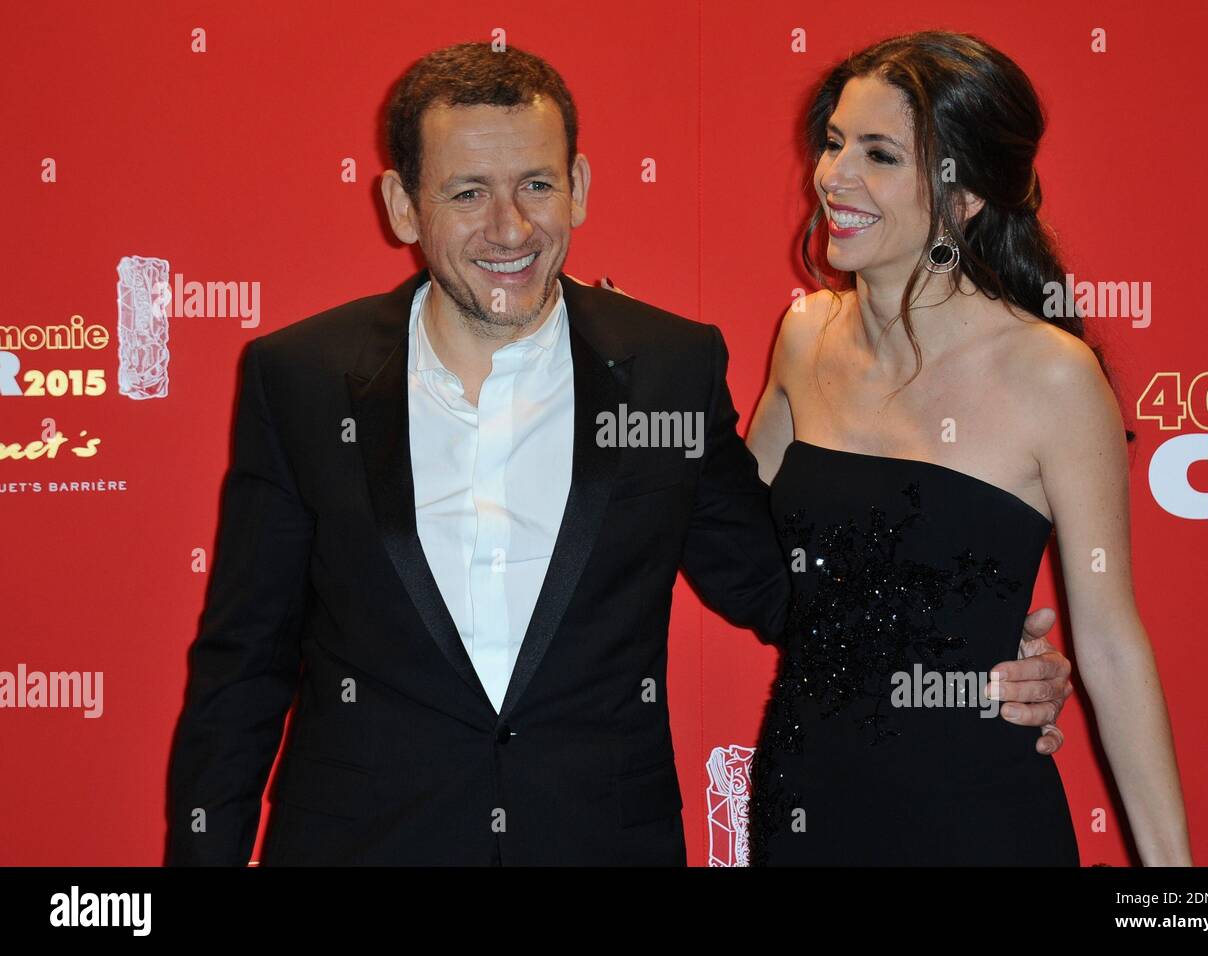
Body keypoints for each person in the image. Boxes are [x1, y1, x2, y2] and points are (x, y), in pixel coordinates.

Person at [163, 41, 1070, 867]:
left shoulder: (667, 370)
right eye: (467, 192)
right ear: (403, 205)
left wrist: (966, 645)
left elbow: (774, 584)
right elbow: (244, 661)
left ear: (582, 186)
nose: (510, 229)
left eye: (537, 185)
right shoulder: (302, 377)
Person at [744, 31, 1192, 866]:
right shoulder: (805, 338)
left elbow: (1110, 645)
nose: (834, 177)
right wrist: (629, 372)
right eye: (835, 143)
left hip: (975, 820)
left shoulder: (1053, 379)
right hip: (805, 804)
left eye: (879, 154)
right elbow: (734, 544)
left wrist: (1178, 892)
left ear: (966, 196)